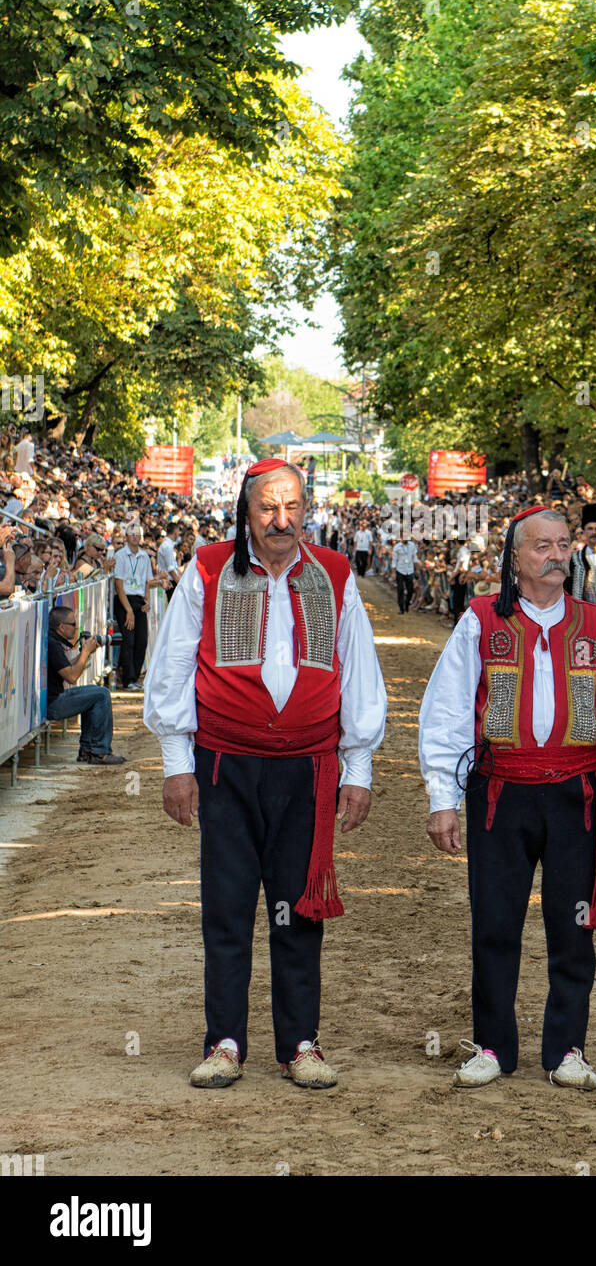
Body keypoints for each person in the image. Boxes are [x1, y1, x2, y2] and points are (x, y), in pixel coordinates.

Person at [419, 506, 596, 1091]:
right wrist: (443, 797)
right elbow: (446, 712)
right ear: (515, 559)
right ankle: (492, 1045)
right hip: (500, 791)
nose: (557, 554)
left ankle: (568, 1048)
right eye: (543, 546)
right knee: (495, 922)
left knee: (573, 926)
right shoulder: (480, 620)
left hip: (575, 794)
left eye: (564, 544)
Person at [143, 458, 387, 1091]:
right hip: (224, 765)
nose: (282, 521)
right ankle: (224, 1042)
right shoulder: (206, 569)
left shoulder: (335, 574)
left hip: (308, 768)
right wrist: (176, 762)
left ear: (307, 510)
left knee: (298, 909)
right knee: (226, 908)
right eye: (267, 508)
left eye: (292, 507)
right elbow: (172, 666)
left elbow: (357, 668)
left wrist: (358, 764)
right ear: (245, 512)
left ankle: (300, 1042)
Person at [46, 605, 125, 764]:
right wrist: (85, 652)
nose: (76, 629)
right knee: (101, 695)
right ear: (61, 627)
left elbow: (66, 667)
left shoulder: (51, 639)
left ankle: (87, 750)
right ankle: (99, 752)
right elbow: (72, 676)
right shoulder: (53, 644)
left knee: (96, 692)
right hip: (52, 704)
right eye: (73, 625)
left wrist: (86, 652)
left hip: (51, 698)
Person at [113, 523, 158, 689]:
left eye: (137, 534)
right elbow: (118, 584)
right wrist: (128, 610)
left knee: (142, 640)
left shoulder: (144, 556)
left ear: (140, 537)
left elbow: (147, 580)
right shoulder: (120, 556)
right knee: (128, 640)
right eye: (131, 533)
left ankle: (135, 676)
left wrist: (147, 600)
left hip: (139, 599)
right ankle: (128, 679)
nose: (134, 536)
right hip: (124, 599)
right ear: (126, 536)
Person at [392, 533, 418, 614]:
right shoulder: (397, 547)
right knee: (400, 589)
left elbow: (415, 557)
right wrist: (393, 572)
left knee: (410, 590)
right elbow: (394, 560)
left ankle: (407, 603)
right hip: (400, 570)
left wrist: (416, 569)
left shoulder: (412, 545)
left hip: (410, 570)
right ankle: (401, 607)